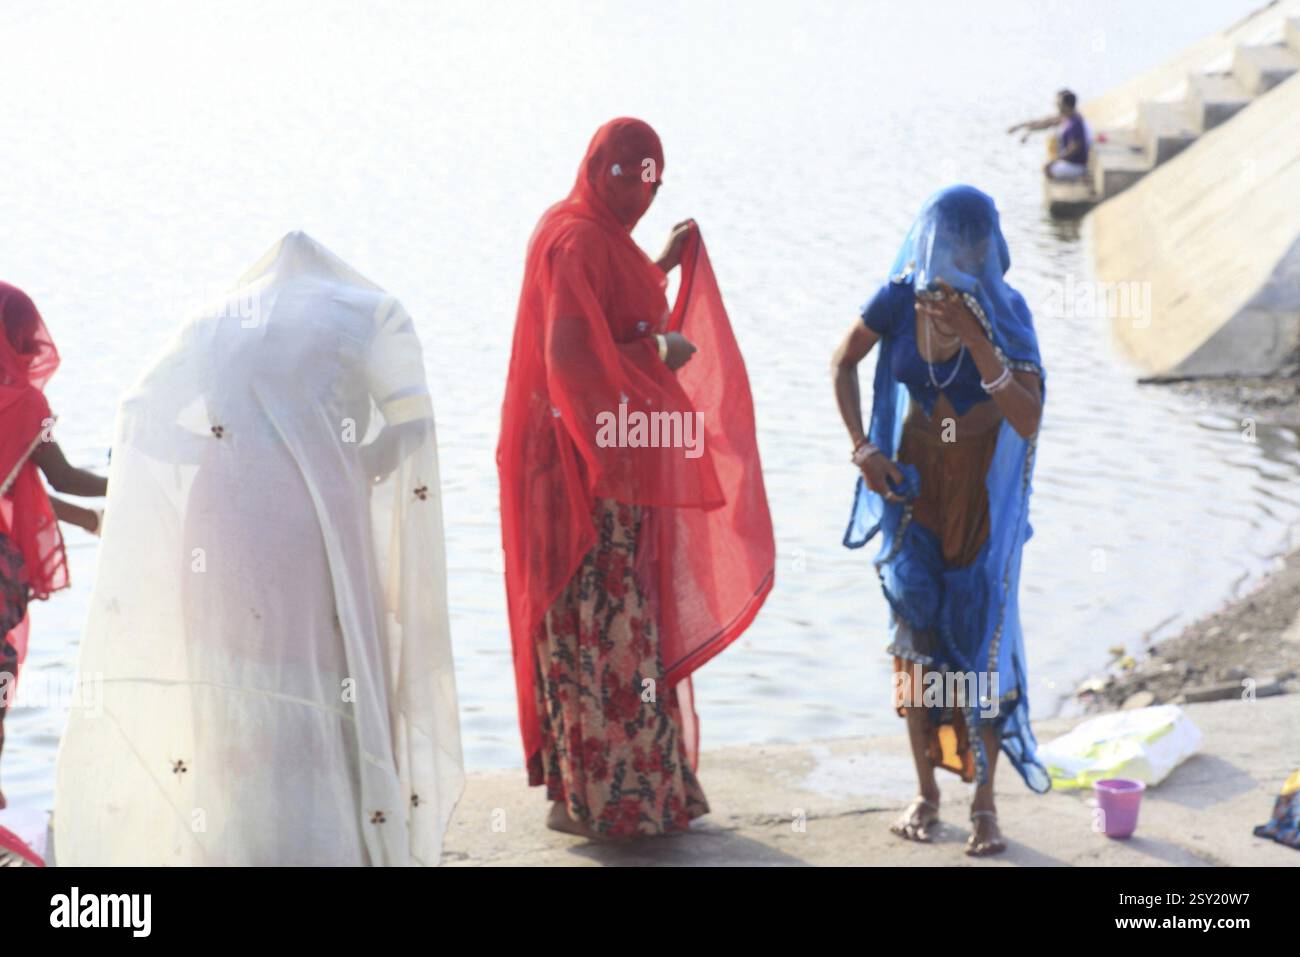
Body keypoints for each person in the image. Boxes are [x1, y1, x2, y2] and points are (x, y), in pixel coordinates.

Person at [54, 232, 464, 865]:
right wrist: (357, 466)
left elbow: (140, 412)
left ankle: (240, 842)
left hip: (222, 525)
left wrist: (220, 453)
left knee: (234, 684)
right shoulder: (369, 315)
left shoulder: (212, 323)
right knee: (323, 684)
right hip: (316, 524)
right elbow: (412, 421)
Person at [498, 118, 774, 840]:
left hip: (574, 465)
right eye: (629, 178)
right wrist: (660, 348)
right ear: (602, 170)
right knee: (608, 622)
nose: (640, 195)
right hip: (580, 475)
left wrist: (660, 263)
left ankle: (577, 792)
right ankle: (618, 799)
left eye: (650, 181)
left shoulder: (578, 229)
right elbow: (573, 360)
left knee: (578, 622)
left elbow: (598, 312)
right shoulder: (577, 239)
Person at [832, 186, 1051, 857]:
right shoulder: (898, 298)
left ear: (986, 249)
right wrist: (863, 448)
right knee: (916, 643)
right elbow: (843, 361)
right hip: (913, 489)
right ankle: (926, 792)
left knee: (978, 644)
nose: (953, 257)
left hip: (978, 498)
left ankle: (984, 804)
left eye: (968, 246)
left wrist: (981, 341)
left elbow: (1029, 415)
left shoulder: (1007, 314)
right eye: (945, 242)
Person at [0, 283, 107, 809]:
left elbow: (18, 485)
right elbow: (60, 477)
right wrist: (128, 477)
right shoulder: (25, 403)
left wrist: (87, 520)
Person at [1008, 89, 1090, 180]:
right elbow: (1043, 123)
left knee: (1046, 168)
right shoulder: (1067, 117)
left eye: (1059, 104)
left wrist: (1053, 161)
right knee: (1047, 161)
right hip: (1069, 162)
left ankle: (1065, 187)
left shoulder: (1075, 123)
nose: (1056, 106)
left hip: (1076, 166)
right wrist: (1018, 127)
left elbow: (1073, 148)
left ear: (1066, 106)